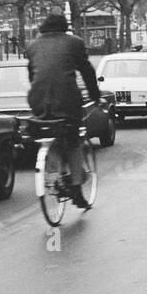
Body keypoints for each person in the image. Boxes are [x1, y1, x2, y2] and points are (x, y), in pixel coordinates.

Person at [26, 13, 101, 208]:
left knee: (51, 136)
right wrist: (94, 96)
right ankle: (76, 187)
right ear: (65, 27)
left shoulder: (32, 45)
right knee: (73, 141)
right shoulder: (74, 42)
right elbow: (87, 71)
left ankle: (53, 179)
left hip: (38, 100)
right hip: (67, 100)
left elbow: (32, 74)